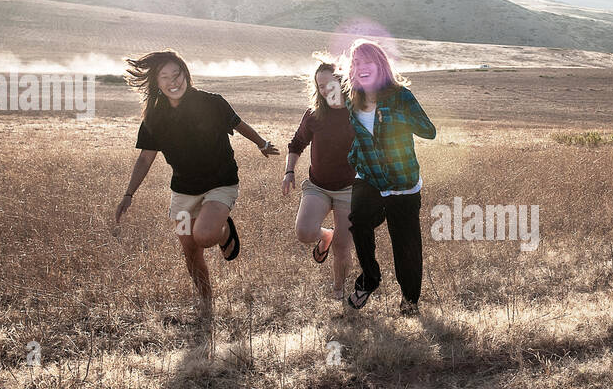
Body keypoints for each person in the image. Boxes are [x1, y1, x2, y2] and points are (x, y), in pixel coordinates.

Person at [114, 49, 278, 315]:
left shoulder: (212, 102)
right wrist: (128, 194)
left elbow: (238, 124)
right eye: (164, 76)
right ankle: (206, 301)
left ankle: (224, 229)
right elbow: (145, 159)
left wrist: (262, 143)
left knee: (203, 236)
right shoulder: (154, 118)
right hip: (183, 191)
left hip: (221, 181)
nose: (172, 81)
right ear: (157, 83)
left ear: (186, 74)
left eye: (176, 74)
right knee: (190, 251)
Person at [342, 40, 436, 315]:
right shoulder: (353, 101)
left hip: (402, 182)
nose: (361, 68)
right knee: (359, 220)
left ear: (380, 65)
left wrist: (396, 117)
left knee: (405, 245)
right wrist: (354, 160)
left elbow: (429, 130)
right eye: (356, 63)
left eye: (367, 62)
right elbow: (361, 139)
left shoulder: (401, 96)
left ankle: (409, 302)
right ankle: (370, 279)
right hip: (369, 177)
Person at [283, 56, 356, 300]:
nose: (325, 89)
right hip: (318, 186)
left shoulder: (357, 112)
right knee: (304, 232)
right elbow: (296, 144)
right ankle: (325, 235)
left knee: (343, 247)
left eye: (329, 83)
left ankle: (338, 289)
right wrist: (289, 172)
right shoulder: (314, 115)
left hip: (349, 189)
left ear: (343, 80)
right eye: (320, 86)